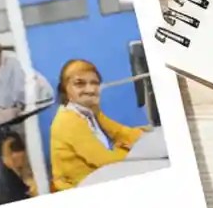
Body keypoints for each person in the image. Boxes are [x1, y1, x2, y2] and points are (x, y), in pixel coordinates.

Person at [48, 59, 148, 191]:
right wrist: (125, 147)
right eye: (80, 84)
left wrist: (138, 137)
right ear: (65, 89)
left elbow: (120, 132)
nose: (90, 90)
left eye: (94, 83)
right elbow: (108, 163)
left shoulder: (89, 110)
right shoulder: (67, 121)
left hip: (98, 179)